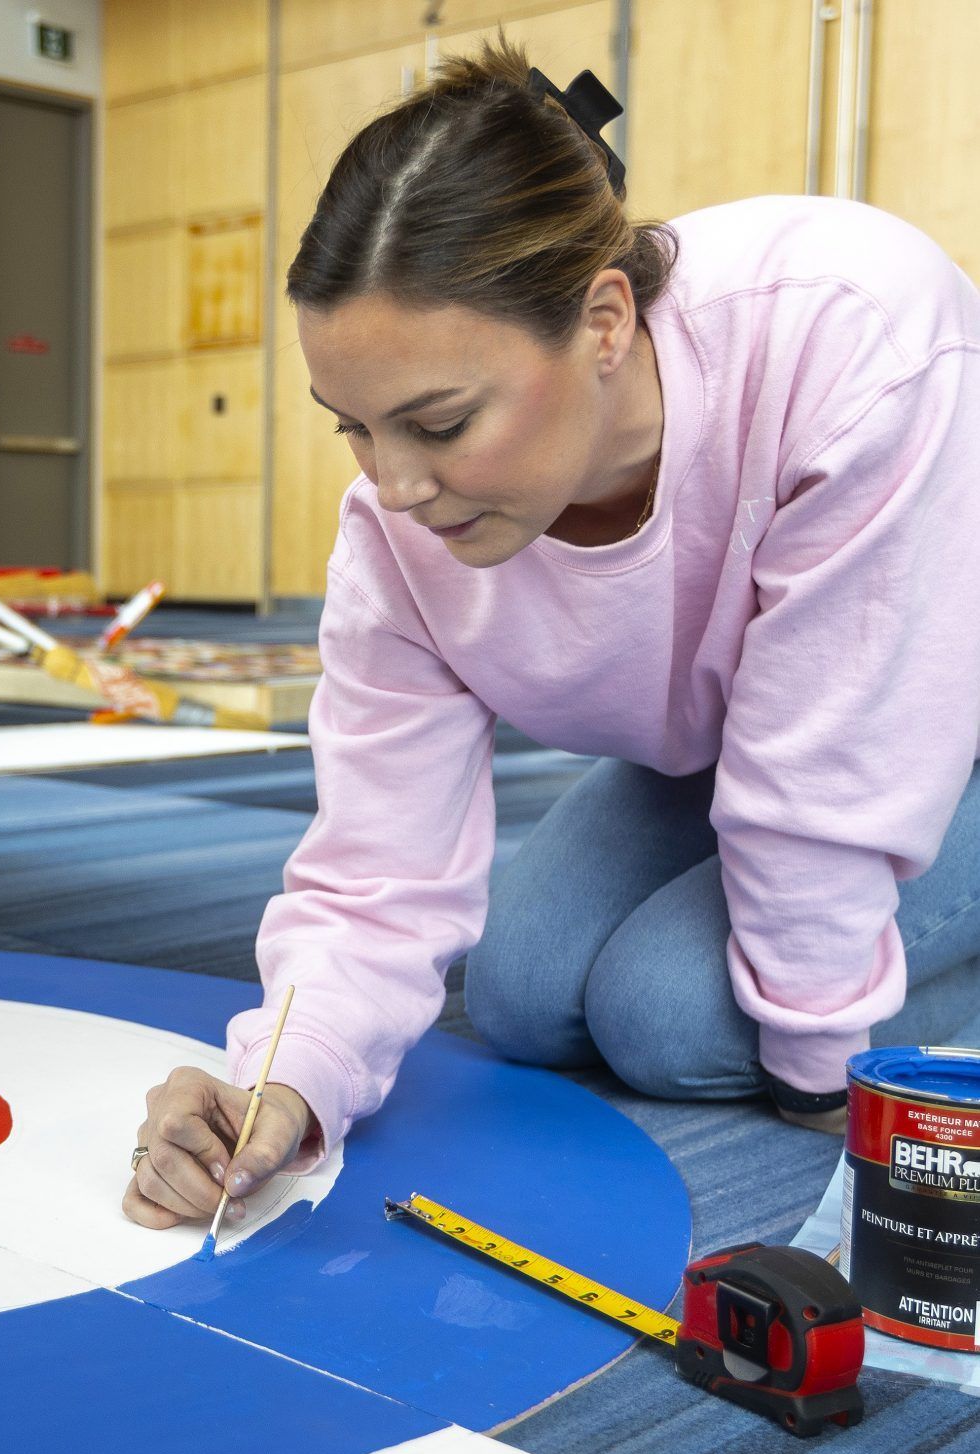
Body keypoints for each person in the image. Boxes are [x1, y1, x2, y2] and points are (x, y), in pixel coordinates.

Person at [125, 41, 980, 1231]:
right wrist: (285, 1079)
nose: (397, 484)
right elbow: (376, 864)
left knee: (665, 1018)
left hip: (933, 722)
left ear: (605, 321)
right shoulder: (393, 527)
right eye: (353, 431)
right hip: (741, 731)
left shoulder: (853, 337)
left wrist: (825, 1076)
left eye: (439, 422)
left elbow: (835, 768)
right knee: (523, 995)